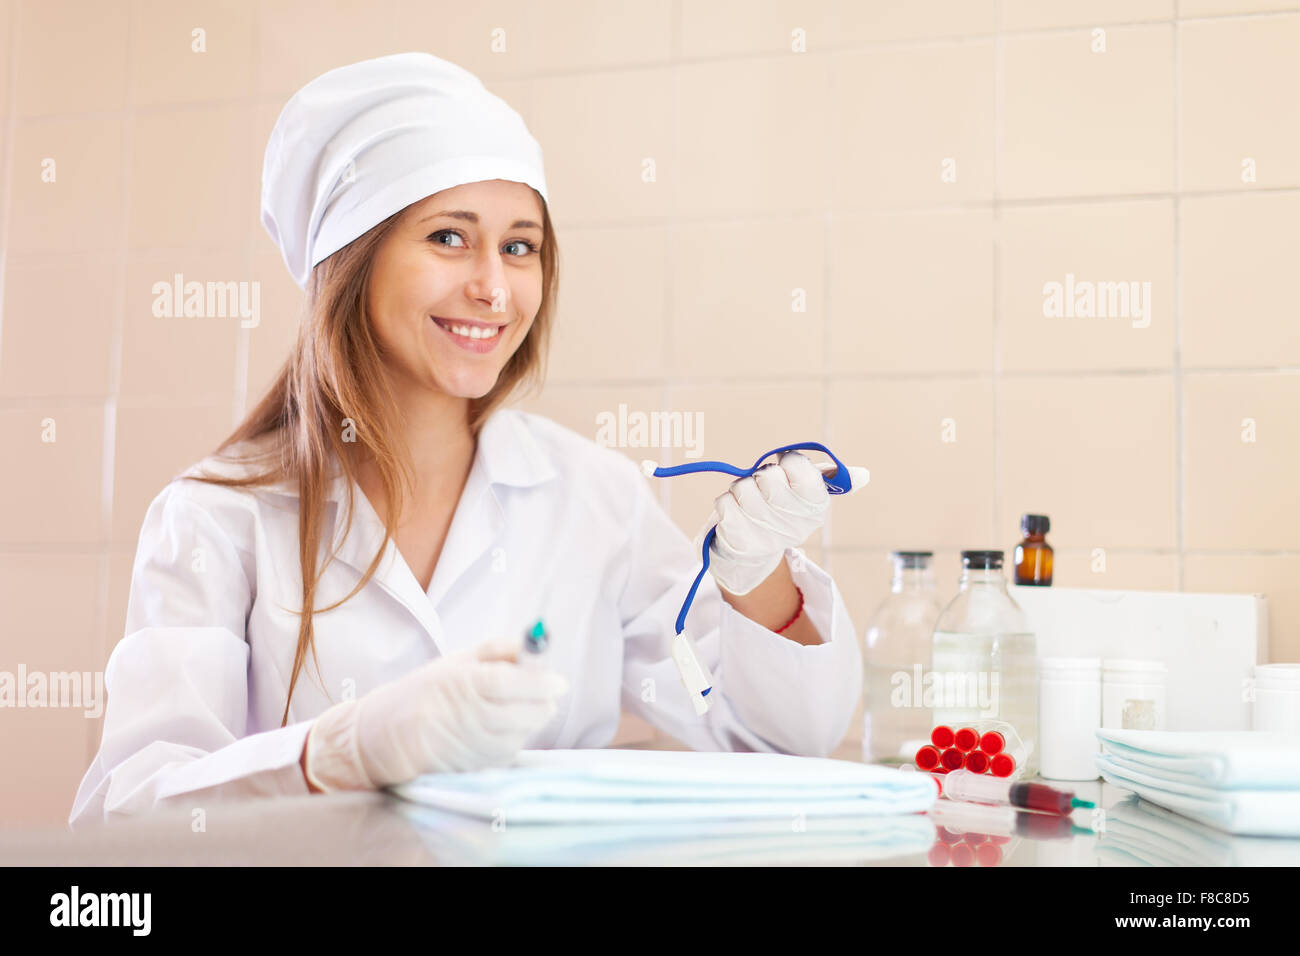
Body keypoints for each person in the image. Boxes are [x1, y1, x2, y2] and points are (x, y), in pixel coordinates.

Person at [68, 52, 862, 828]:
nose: (493, 286)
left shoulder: (593, 494)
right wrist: (338, 751)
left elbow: (778, 746)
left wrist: (757, 585)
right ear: (351, 260)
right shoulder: (216, 516)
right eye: (449, 237)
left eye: (520, 247)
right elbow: (133, 811)